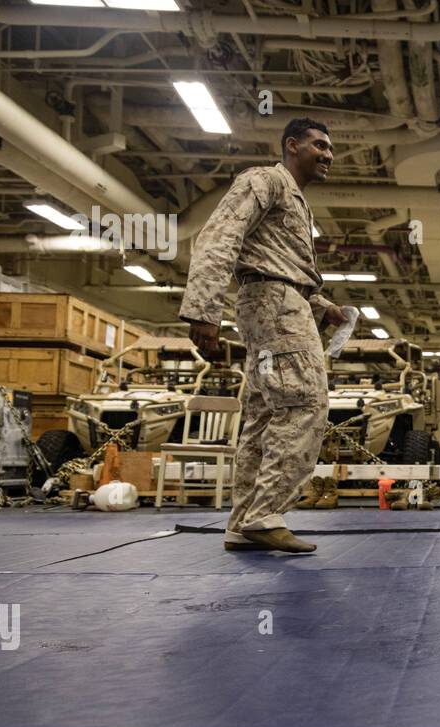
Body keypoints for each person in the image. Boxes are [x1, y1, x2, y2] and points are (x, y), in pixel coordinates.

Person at [180, 117, 350, 553]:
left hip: (277, 303)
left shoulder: (296, 201)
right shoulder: (265, 181)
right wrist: (203, 309)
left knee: (262, 414)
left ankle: (242, 523)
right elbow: (218, 239)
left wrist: (322, 307)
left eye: (330, 148)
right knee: (305, 404)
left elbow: (276, 266)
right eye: (319, 145)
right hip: (274, 308)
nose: (328, 154)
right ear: (292, 146)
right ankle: (264, 515)